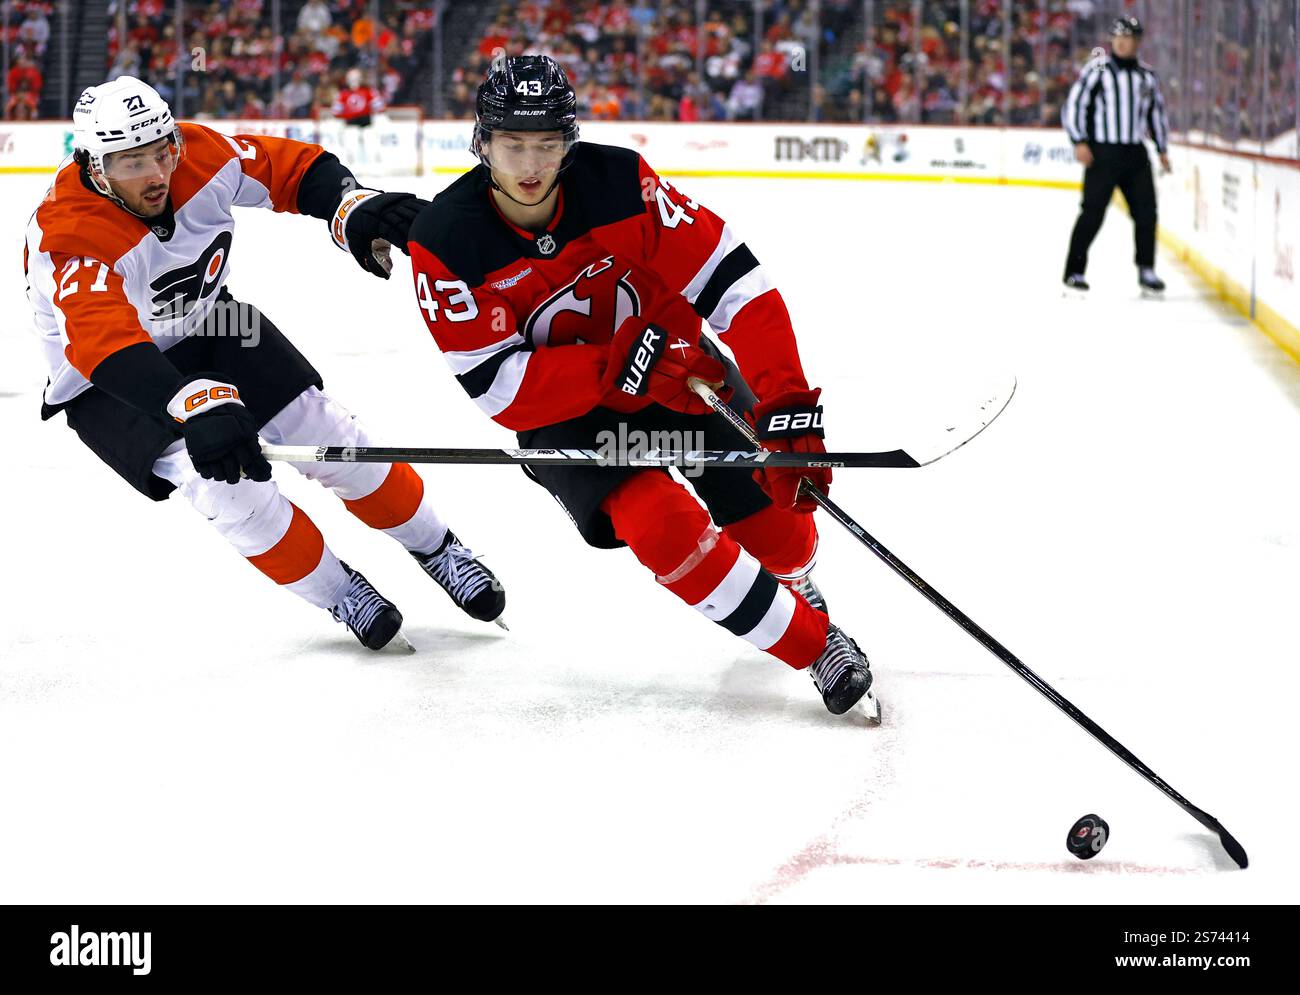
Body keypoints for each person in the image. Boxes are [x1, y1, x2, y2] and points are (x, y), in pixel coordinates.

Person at [406, 56, 874, 717]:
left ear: (570, 143)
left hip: (679, 371)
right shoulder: (446, 240)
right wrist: (612, 368)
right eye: (514, 145)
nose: (531, 164)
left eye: (547, 144)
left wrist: (787, 402)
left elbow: (734, 283)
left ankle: (794, 578)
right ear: (482, 142)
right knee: (660, 523)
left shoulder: (622, 183)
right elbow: (496, 387)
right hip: (568, 414)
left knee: (780, 521)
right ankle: (814, 644)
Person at [24, 77, 506, 651]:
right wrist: (191, 403)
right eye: (133, 162)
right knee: (232, 493)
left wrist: (349, 208)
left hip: (214, 325)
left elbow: (292, 170)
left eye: (162, 151)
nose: (157, 176)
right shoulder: (71, 235)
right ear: (95, 166)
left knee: (332, 435)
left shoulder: (200, 155)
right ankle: (341, 593)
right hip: (110, 382)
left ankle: (437, 546)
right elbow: (102, 343)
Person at [1061, 16, 1171, 294]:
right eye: (1118, 36)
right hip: (1103, 152)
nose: (1123, 42)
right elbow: (1075, 105)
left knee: (1147, 213)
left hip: (1135, 153)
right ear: (1111, 40)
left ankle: (1146, 269)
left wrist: (1162, 148)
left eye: (1129, 37)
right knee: (1092, 212)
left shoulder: (1147, 76)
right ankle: (1074, 271)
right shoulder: (1097, 71)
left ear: (1138, 41)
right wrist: (1079, 141)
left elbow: (1155, 113)